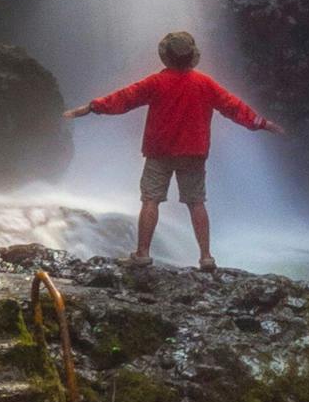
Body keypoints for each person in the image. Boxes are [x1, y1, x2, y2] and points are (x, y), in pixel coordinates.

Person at [69, 30, 276, 268]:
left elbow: (124, 98)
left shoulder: (156, 82)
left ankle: (143, 253)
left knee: (150, 200)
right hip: (194, 152)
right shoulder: (205, 84)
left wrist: (91, 107)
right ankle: (206, 257)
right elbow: (233, 106)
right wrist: (261, 123)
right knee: (196, 202)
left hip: (160, 151)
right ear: (191, 57)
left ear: (166, 56)